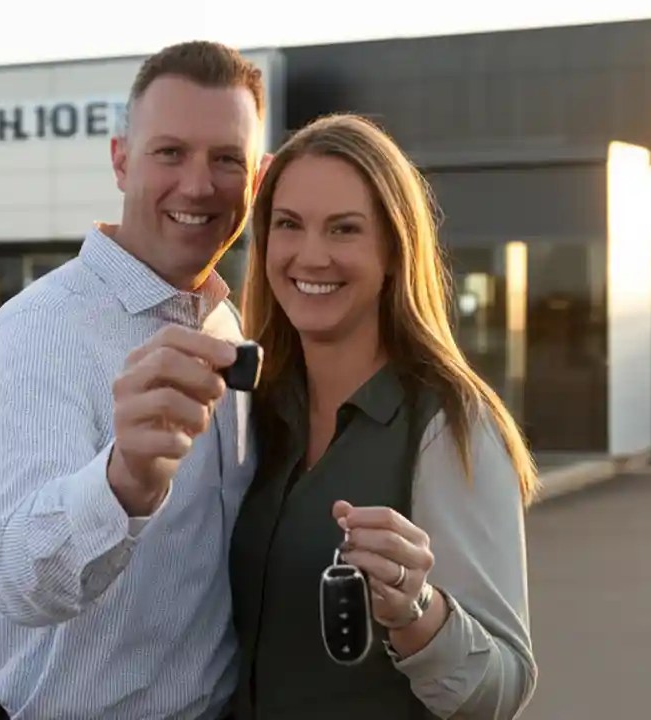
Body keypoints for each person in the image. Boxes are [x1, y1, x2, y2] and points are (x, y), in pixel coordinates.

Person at [0, 40, 271, 720]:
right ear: (121, 159)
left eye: (226, 159)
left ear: (257, 178)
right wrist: (123, 480)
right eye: (170, 152)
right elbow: (14, 577)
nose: (198, 185)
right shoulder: (40, 329)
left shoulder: (225, 322)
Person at [228, 113, 540, 719]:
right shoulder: (253, 410)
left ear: (395, 251)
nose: (311, 255)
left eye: (344, 229)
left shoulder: (450, 425)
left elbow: (502, 689)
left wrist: (416, 611)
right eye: (288, 225)